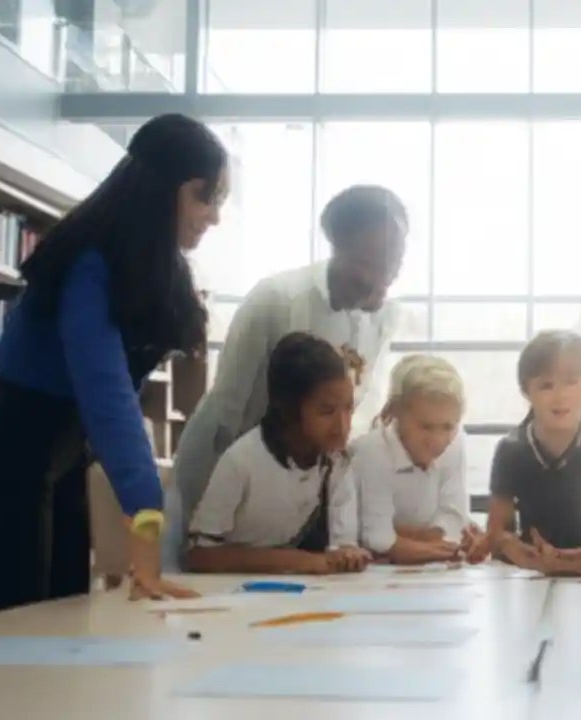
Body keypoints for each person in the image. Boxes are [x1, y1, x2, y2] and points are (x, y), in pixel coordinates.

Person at [0, 114, 221, 620]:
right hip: (4, 468)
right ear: (164, 190)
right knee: (7, 648)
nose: (213, 216)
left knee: (62, 630)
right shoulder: (89, 262)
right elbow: (107, 393)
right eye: (206, 196)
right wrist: (145, 515)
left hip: (62, 468)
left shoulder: (153, 268)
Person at [168, 185, 408, 567]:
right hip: (227, 463)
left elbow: (359, 403)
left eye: (393, 264)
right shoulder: (279, 299)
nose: (381, 281)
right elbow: (231, 408)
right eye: (372, 261)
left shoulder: (385, 316)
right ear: (338, 244)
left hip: (300, 476)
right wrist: (246, 480)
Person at [185, 332, 369, 575]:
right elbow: (199, 555)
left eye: (349, 409)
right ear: (288, 409)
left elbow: (342, 542)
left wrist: (348, 552)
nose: (343, 427)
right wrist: (295, 561)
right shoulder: (242, 460)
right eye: (327, 412)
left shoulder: (335, 461)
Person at [468, 330, 581, 575]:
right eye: (546, 385)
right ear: (526, 391)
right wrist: (518, 551)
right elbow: (498, 533)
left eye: (571, 382)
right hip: (528, 571)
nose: (559, 396)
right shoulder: (511, 449)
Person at [353, 354, 478, 564]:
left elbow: (454, 523)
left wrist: (405, 537)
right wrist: (439, 544)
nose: (437, 440)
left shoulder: (455, 444)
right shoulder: (371, 451)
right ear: (396, 413)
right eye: (425, 427)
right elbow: (377, 540)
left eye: (448, 427)